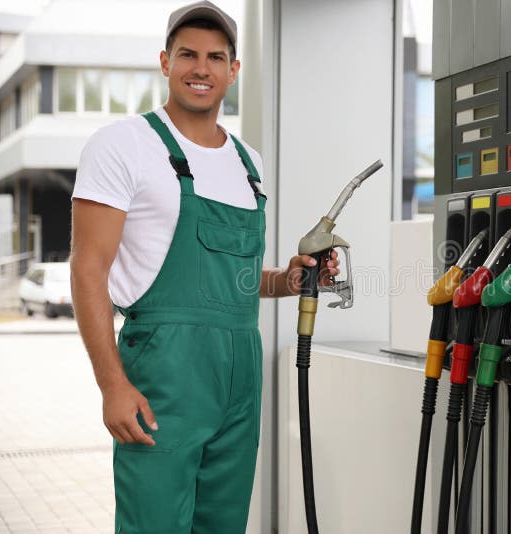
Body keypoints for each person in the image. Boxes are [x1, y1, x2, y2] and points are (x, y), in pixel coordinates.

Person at [69, 2, 338, 532]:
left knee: (223, 523)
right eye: (188, 54)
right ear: (165, 61)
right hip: (166, 367)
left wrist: (286, 281)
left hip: (240, 373)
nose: (201, 68)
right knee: (155, 522)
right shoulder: (122, 145)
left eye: (216, 57)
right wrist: (111, 385)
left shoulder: (247, 162)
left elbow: (232, 280)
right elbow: (87, 270)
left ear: (233, 70)